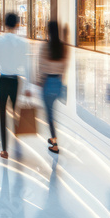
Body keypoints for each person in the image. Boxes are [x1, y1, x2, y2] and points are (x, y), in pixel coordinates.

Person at [0, 13, 31, 159]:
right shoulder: (23, 43)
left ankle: (4, 149)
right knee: (15, 111)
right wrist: (28, 86)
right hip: (15, 81)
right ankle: (17, 139)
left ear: (4, 24)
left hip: (2, 80)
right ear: (17, 24)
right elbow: (26, 66)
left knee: (2, 115)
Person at [39, 21, 67, 154]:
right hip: (58, 82)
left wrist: (40, 82)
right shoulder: (63, 47)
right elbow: (64, 66)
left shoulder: (46, 47)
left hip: (48, 82)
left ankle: (54, 142)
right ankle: (52, 137)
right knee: (52, 112)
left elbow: (42, 67)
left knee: (49, 114)